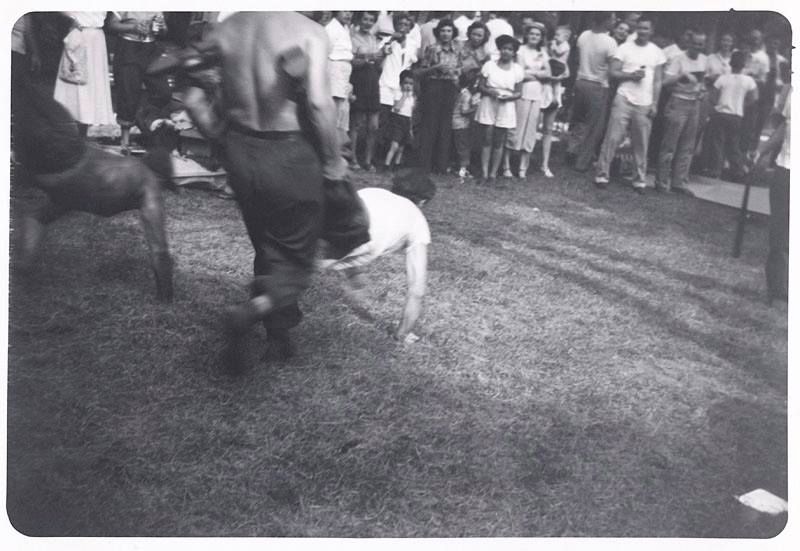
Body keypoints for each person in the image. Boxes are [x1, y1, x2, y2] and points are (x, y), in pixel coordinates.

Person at [179, 12, 368, 370]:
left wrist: (219, 137)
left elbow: (191, 94)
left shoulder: (227, 27)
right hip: (288, 153)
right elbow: (317, 103)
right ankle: (249, 312)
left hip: (240, 150)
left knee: (269, 244)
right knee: (298, 260)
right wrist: (332, 161)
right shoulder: (308, 31)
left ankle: (278, 336)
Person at [318, 171, 435, 343]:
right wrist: (402, 333)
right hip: (355, 237)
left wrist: (354, 274)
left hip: (327, 219)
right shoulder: (418, 221)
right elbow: (416, 290)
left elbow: (348, 219)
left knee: (291, 260)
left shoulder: (373, 191)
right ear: (423, 201)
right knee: (296, 272)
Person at [594, 17, 666, 192]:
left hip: (645, 103)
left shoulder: (657, 52)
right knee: (612, 138)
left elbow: (657, 81)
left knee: (641, 142)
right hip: (624, 98)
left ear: (652, 31)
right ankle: (602, 174)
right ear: (636, 29)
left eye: (646, 28)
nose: (642, 31)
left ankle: (639, 180)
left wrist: (655, 103)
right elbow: (613, 73)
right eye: (640, 28)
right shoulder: (625, 48)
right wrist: (631, 76)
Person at [106, 11, 172, 153]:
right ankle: (125, 142)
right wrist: (132, 27)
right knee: (128, 93)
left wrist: (161, 27)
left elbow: (165, 31)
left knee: (163, 92)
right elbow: (111, 25)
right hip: (128, 47)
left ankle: (142, 117)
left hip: (152, 49)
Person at [655, 31, 708, 195]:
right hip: (678, 102)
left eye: (701, 44)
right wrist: (682, 75)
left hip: (694, 103)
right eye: (695, 43)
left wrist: (702, 89)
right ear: (689, 42)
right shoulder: (679, 58)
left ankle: (680, 182)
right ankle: (662, 182)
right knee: (669, 144)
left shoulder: (704, 60)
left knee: (688, 146)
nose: (697, 47)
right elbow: (665, 82)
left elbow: (702, 81)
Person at [566, 11, 618, 173]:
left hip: (581, 81)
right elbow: (612, 69)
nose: (615, 21)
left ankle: (572, 150)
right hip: (598, 85)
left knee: (579, 119)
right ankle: (582, 162)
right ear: (605, 21)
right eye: (613, 18)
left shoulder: (584, 35)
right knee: (594, 125)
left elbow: (577, 59)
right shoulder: (610, 42)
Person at [52, 12, 115, 138]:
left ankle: (82, 135)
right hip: (79, 34)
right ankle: (68, 134)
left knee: (90, 87)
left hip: (96, 39)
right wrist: (71, 21)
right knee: (73, 84)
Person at [755, 86, 790, 303]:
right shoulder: (791, 90)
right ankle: (777, 288)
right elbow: (785, 127)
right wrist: (762, 150)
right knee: (779, 233)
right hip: (785, 170)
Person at [502, 23, 550, 179]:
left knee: (530, 131)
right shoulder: (520, 51)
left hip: (537, 94)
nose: (534, 37)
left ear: (541, 37)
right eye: (532, 34)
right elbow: (520, 73)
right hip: (522, 92)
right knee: (515, 128)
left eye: (538, 34)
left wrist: (532, 73)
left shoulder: (543, 53)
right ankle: (506, 165)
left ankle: (523, 167)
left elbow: (548, 73)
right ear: (527, 35)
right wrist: (538, 73)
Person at [475, 34, 524, 183]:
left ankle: (493, 174)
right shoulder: (489, 65)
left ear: (514, 52)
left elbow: (518, 93)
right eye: (504, 48)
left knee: (499, 140)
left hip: (506, 105)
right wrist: (490, 92)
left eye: (510, 49)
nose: (506, 51)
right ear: (500, 49)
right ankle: (484, 172)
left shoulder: (517, 69)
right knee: (487, 138)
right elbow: (480, 86)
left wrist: (509, 98)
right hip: (489, 103)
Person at [704, 50, 759, 180]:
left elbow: (712, 97)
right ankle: (737, 169)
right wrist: (743, 105)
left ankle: (715, 169)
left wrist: (718, 104)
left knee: (718, 142)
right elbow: (754, 98)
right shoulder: (748, 80)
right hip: (736, 114)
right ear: (743, 65)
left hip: (721, 113)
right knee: (733, 143)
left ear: (730, 63)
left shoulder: (723, 78)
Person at [416, 19, 462, 174]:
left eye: (449, 31)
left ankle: (441, 165)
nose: (445, 34)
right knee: (430, 125)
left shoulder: (457, 50)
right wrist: (436, 68)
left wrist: (455, 74)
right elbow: (421, 72)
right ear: (438, 33)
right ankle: (424, 165)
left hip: (450, 88)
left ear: (453, 33)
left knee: (445, 126)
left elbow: (460, 69)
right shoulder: (432, 49)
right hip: (433, 87)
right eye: (443, 30)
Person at [349, 11, 388, 171]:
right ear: (360, 20)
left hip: (373, 81)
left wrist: (382, 56)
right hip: (359, 80)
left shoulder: (373, 38)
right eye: (365, 19)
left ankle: (368, 160)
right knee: (356, 124)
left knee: (373, 125)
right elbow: (351, 62)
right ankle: (352, 159)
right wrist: (368, 58)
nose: (368, 22)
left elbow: (377, 64)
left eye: (371, 20)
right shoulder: (352, 37)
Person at [539, 25, 572, 179]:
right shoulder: (544, 50)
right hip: (541, 86)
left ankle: (544, 164)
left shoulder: (564, 47)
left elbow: (566, 71)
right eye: (555, 34)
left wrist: (560, 76)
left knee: (548, 128)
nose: (556, 38)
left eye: (559, 35)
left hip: (555, 84)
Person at [325, 12, 355, 155]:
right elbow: (325, 52)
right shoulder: (331, 28)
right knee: (334, 110)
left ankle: (335, 149)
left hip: (344, 72)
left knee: (342, 111)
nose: (348, 14)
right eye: (345, 10)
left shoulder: (346, 28)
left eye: (351, 11)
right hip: (334, 69)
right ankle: (328, 150)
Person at [384, 70, 416, 170]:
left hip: (407, 120)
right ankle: (387, 164)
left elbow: (411, 112)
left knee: (402, 146)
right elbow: (397, 108)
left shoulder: (412, 97)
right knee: (395, 145)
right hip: (398, 120)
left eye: (411, 84)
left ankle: (397, 164)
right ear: (401, 84)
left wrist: (410, 128)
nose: (408, 86)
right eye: (406, 83)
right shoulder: (398, 94)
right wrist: (404, 96)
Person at [452, 71, 481, 180]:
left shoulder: (461, 93)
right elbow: (464, 111)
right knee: (463, 147)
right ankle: (463, 169)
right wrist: (475, 108)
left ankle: (460, 167)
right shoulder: (466, 95)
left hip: (456, 123)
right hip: (461, 124)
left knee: (460, 146)